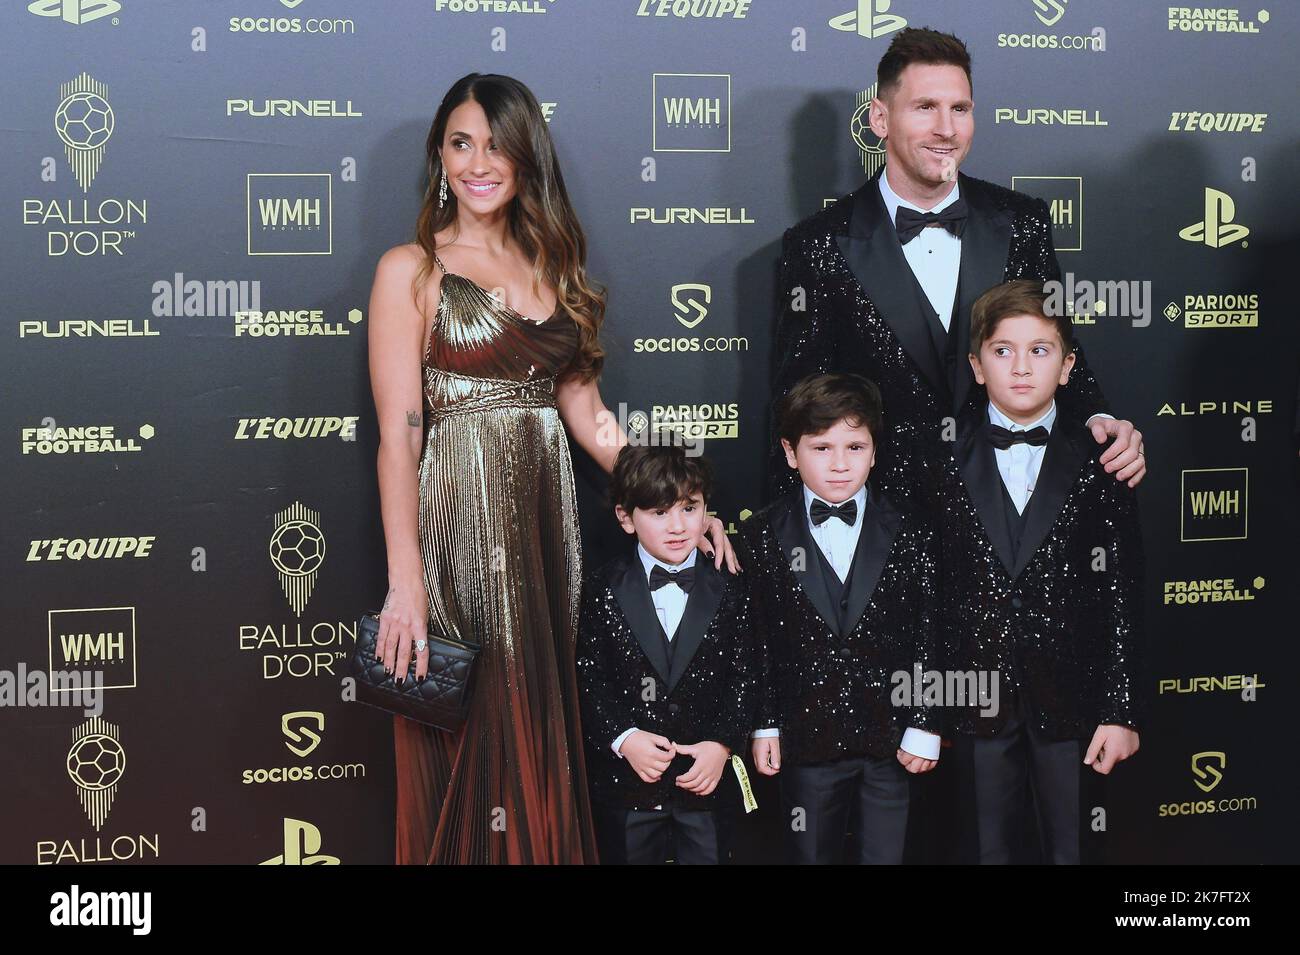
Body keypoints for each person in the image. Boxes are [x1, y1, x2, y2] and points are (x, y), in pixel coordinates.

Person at [367, 72, 735, 864]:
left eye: (496, 145)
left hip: (542, 537)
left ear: (527, 156)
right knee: (468, 726)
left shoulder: (557, 271)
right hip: (456, 537)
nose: (477, 162)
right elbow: (400, 434)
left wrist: (684, 506)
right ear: (439, 153)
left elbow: (593, 424)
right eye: (461, 142)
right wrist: (407, 583)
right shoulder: (412, 270)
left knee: (537, 726)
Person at [769, 27, 1147, 508]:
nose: (946, 128)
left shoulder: (1021, 222)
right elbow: (799, 404)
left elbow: (1059, 348)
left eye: (960, 109)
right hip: (884, 526)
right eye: (925, 107)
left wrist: (1099, 420)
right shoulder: (817, 243)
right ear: (880, 120)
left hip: (1006, 513)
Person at [936, 279, 1144, 864]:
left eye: (1040, 349)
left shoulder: (1106, 459)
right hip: (970, 703)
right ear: (977, 366)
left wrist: (1120, 709)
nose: (1021, 367)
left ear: (1069, 364)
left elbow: (1124, 590)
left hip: (1074, 701)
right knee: (983, 850)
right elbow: (917, 588)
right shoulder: (937, 456)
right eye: (1003, 351)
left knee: (1073, 847)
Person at [740, 372, 940, 864]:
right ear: (791, 453)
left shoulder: (910, 528)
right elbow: (756, 638)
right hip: (805, 741)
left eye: (854, 447)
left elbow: (930, 628)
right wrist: (764, 723)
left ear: (874, 451)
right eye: (821, 448)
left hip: (891, 741)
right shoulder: (761, 533)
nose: (839, 464)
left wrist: (925, 720)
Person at [575, 444, 758, 864]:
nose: (677, 526)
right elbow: (588, 677)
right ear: (625, 517)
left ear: (707, 511)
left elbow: (747, 674)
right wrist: (625, 739)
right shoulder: (601, 589)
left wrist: (722, 745)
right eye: (659, 513)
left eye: (689, 509)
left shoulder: (730, 587)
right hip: (628, 791)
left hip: (706, 791)